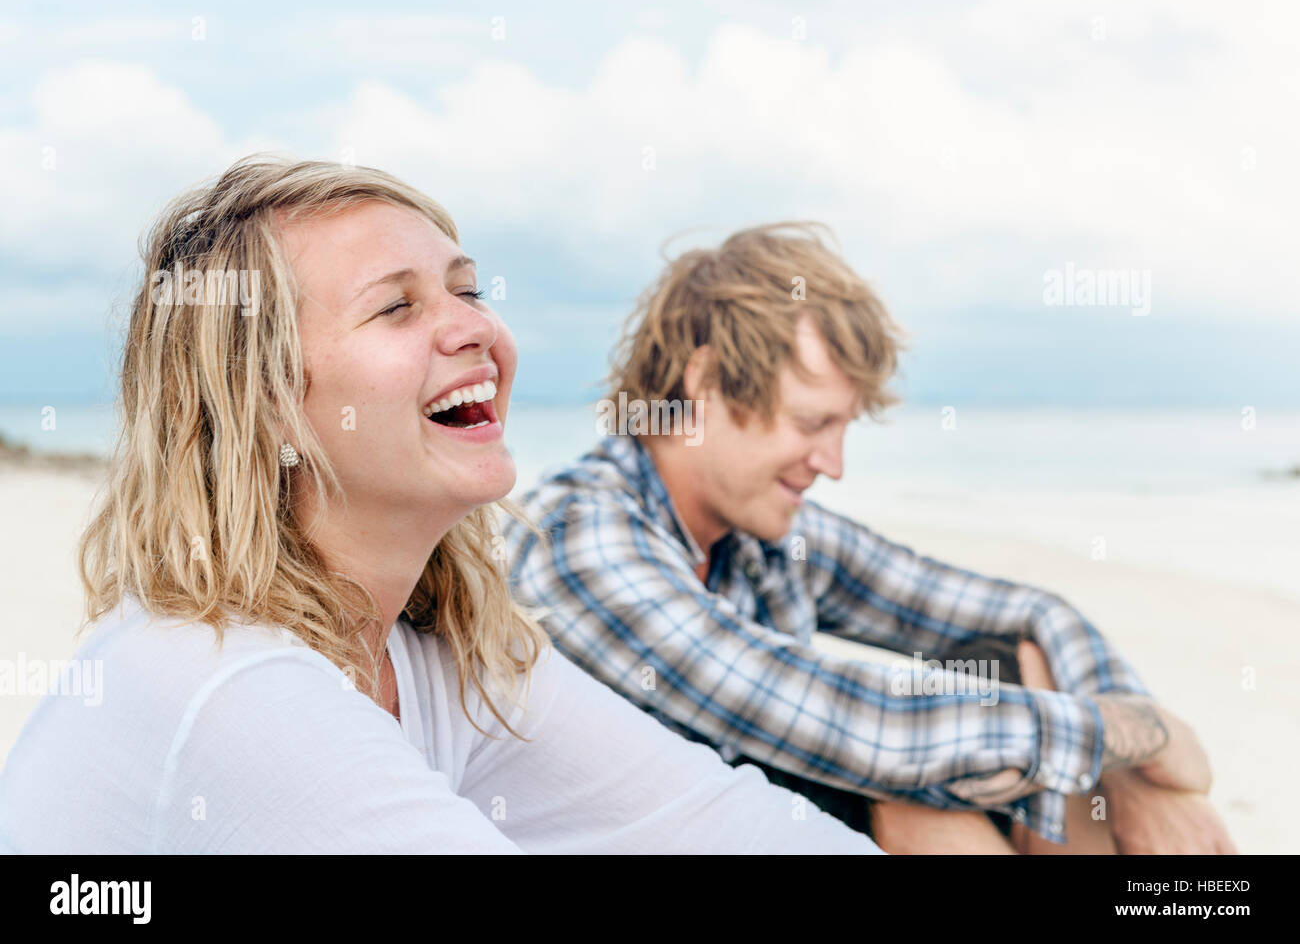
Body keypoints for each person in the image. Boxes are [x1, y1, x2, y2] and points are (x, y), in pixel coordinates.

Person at [0, 161, 882, 854]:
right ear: (263, 406)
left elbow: (715, 822)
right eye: (396, 307)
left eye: (467, 289)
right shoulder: (230, 686)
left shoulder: (438, 654)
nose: (473, 329)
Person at [503, 223, 1238, 854]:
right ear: (706, 381)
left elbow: (1030, 611)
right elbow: (860, 725)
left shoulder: (758, 534)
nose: (834, 465)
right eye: (813, 423)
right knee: (913, 788)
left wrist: (1135, 780)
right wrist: (1146, 733)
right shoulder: (582, 539)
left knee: (1018, 662)